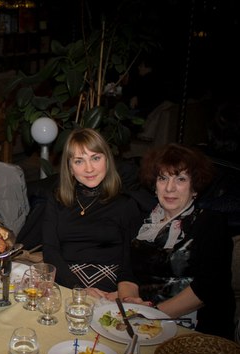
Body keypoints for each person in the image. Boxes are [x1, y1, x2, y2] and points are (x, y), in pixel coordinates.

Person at [120, 143, 235, 340]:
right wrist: (130, 304)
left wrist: (152, 315)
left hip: (195, 329)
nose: (169, 188)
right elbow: (126, 273)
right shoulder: (140, 222)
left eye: (180, 179)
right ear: (155, 185)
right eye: (163, 178)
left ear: (195, 187)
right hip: (143, 319)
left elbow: (207, 288)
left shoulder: (211, 223)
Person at [41, 128, 142, 298]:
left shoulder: (125, 204)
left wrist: (124, 294)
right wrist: (77, 288)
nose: (89, 169)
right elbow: (50, 251)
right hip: (65, 281)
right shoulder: (57, 199)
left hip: (108, 286)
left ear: (107, 160)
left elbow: (129, 261)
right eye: (79, 161)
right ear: (70, 167)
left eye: (95, 158)